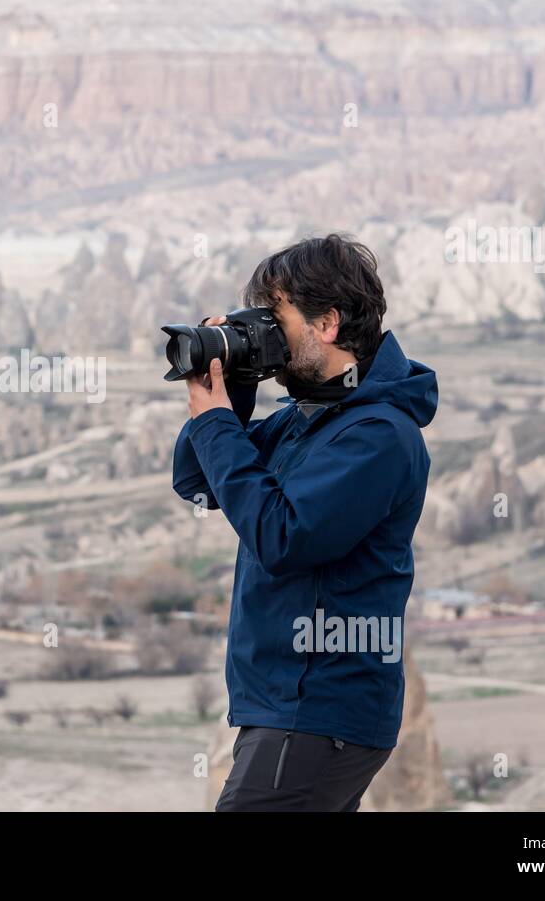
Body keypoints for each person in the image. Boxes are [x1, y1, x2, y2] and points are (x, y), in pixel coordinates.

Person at [172, 234, 438, 811]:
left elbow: (282, 537)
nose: (269, 334)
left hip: (319, 708)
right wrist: (233, 397)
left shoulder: (378, 436)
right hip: (284, 706)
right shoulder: (306, 419)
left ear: (327, 324)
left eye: (277, 318)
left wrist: (218, 425)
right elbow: (197, 485)